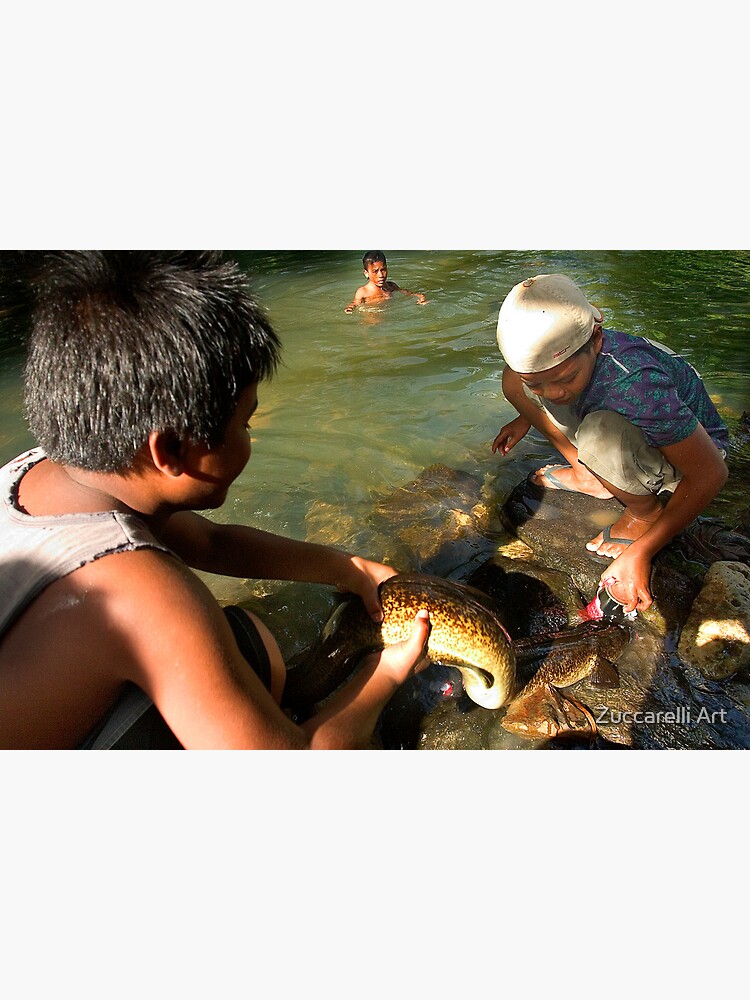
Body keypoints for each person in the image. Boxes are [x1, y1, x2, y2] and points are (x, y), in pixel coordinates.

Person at [0, 251, 431, 750]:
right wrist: (386, 671)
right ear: (171, 451)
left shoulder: (39, 472)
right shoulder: (140, 593)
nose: (251, 436)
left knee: (244, 645)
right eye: (245, 423)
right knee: (234, 653)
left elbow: (209, 542)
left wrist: (349, 568)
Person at [491, 273, 729, 615]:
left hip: (690, 453)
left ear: (597, 340)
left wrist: (642, 552)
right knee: (513, 384)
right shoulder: (559, 365)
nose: (553, 392)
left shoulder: (636, 385)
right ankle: (588, 473)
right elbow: (531, 381)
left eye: (565, 377)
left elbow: (711, 473)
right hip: (624, 422)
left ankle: (644, 511)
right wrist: (525, 415)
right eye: (538, 383)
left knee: (598, 433)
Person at [344, 251, 427, 313]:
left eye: (383, 270)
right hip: (372, 318)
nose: (380, 275)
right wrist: (350, 308)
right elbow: (355, 303)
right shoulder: (363, 292)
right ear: (366, 273)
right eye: (375, 271)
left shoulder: (391, 286)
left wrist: (420, 296)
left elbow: (408, 293)